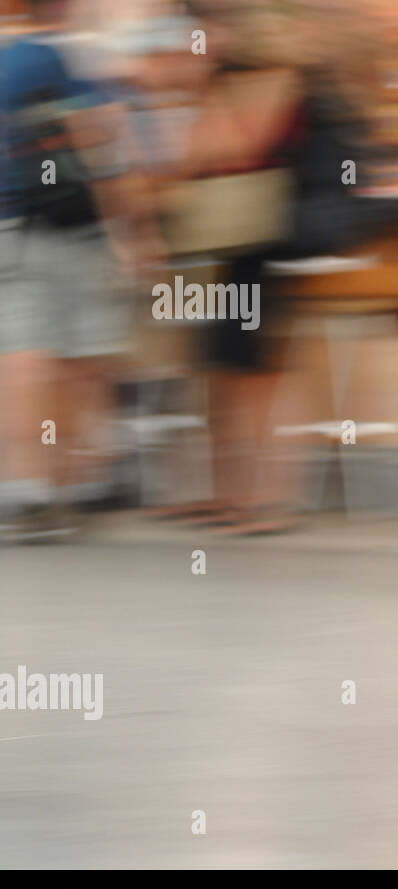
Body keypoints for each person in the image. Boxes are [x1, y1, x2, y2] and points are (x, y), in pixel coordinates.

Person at [0, 0, 160, 541]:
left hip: (11, 226)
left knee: (28, 354)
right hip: (63, 229)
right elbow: (99, 148)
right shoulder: (64, 58)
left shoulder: (9, 56)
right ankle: (50, 488)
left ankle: (29, 490)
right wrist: (137, 231)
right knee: (55, 359)